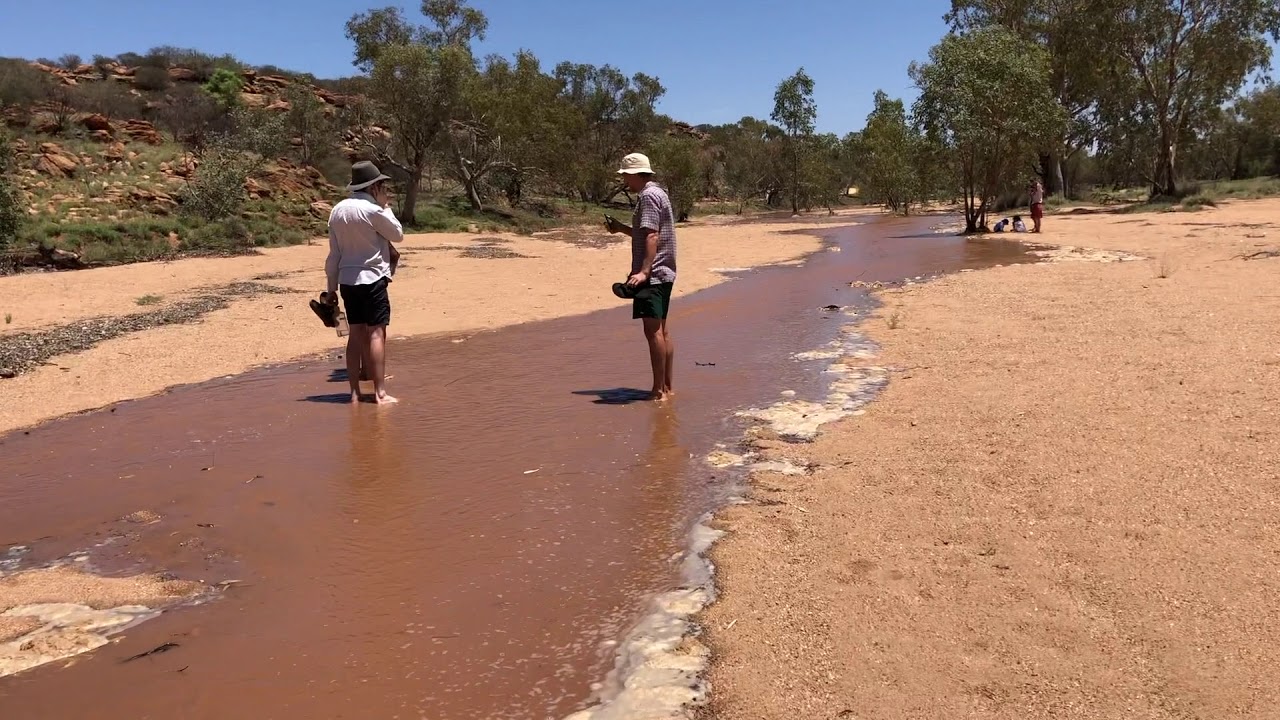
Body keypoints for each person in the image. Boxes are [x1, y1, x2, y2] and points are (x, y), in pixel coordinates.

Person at [325, 161, 403, 405]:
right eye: (381, 186)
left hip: (348, 281)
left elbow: (334, 255)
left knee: (355, 334)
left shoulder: (337, 211)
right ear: (374, 187)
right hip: (372, 279)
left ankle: (354, 393)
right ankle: (380, 393)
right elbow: (398, 235)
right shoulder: (373, 210)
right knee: (377, 333)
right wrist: (386, 207)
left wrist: (331, 288)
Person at [605, 152, 677, 401]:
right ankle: (667, 387)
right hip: (665, 272)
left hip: (653, 275)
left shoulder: (647, 197)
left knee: (653, 332)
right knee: (663, 332)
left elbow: (651, 236)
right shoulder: (659, 193)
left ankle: (658, 392)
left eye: (626, 175)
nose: (625, 180)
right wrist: (621, 228)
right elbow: (645, 231)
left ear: (635, 173)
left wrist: (644, 272)